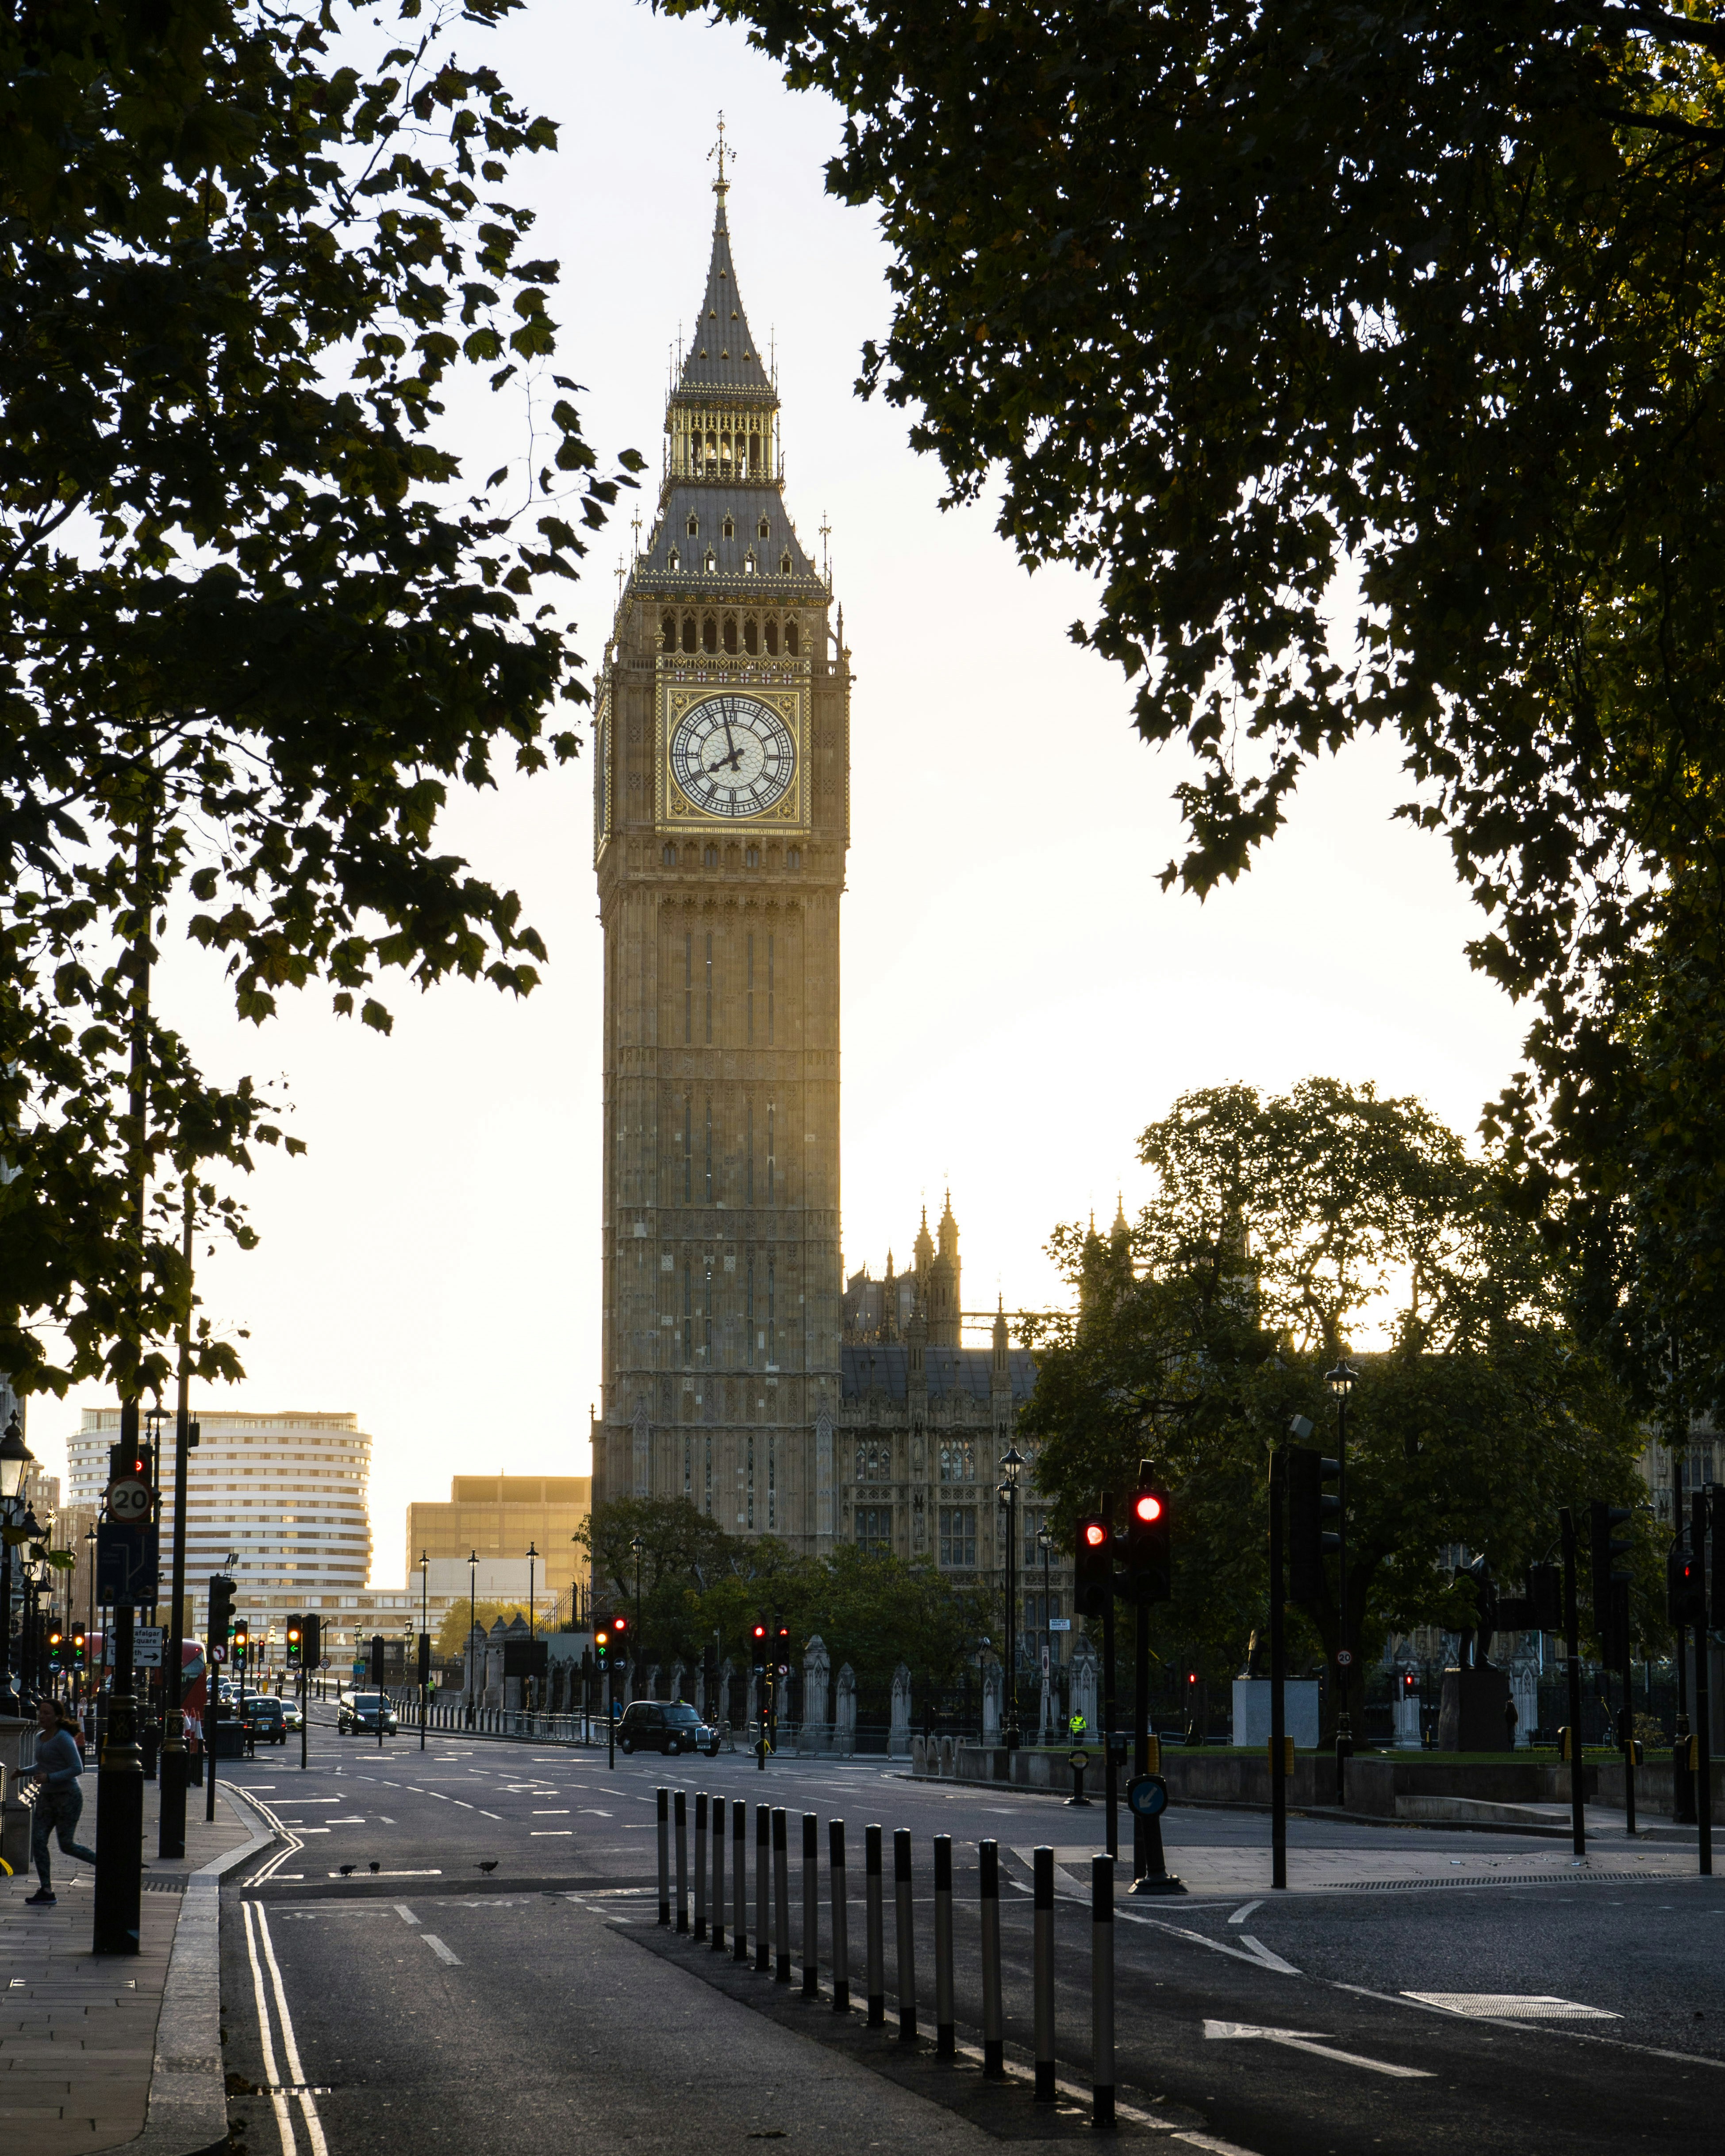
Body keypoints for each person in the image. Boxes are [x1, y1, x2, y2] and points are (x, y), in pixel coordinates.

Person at [25, 1698, 99, 1907]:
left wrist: (50, 1778)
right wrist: (24, 1772)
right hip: (46, 1798)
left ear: (57, 1717)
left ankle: (108, 1866)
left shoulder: (64, 1738)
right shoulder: (40, 1737)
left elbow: (77, 1768)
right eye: (40, 1712)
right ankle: (46, 1889)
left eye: (47, 1713)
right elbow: (43, 1765)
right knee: (38, 1841)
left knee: (67, 1845)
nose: (42, 1716)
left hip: (67, 1797)